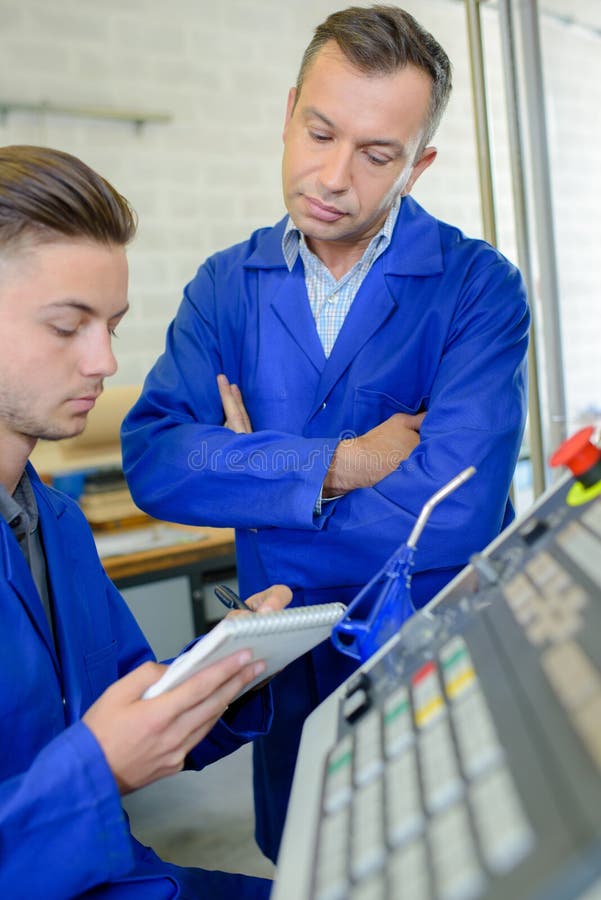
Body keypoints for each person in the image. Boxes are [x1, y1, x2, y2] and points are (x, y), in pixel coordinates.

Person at [121, 5, 530, 862]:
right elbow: (156, 458)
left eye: (376, 154)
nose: (333, 175)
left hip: (426, 653)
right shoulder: (225, 288)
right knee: (303, 861)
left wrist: (256, 489)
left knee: (451, 863)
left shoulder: (476, 290)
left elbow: (453, 511)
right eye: (319, 132)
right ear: (288, 115)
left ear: (416, 166)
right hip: (289, 675)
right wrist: (342, 463)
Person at [0, 144, 293, 899]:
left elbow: (132, 700)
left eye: (112, 325)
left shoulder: (52, 523)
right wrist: (97, 770)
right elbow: (100, 754)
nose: (103, 361)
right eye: (68, 328)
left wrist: (232, 665)